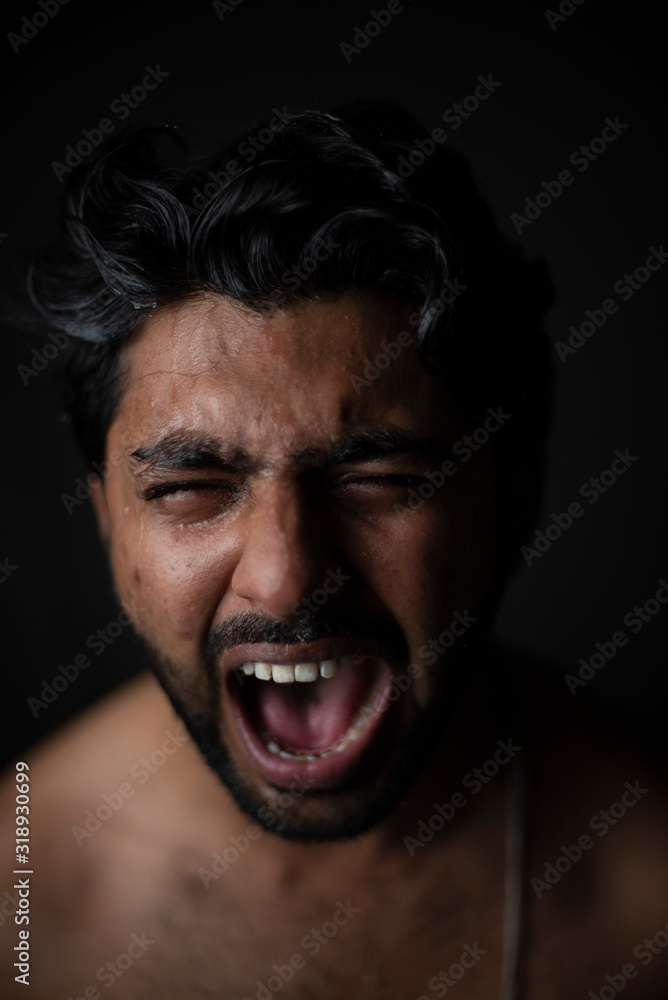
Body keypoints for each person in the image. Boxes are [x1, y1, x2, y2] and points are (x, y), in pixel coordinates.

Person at [2, 104, 667, 999]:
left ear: (515, 499)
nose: (285, 577)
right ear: (110, 523)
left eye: (379, 478)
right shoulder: (19, 903)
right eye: (191, 488)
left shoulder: (648, 887)